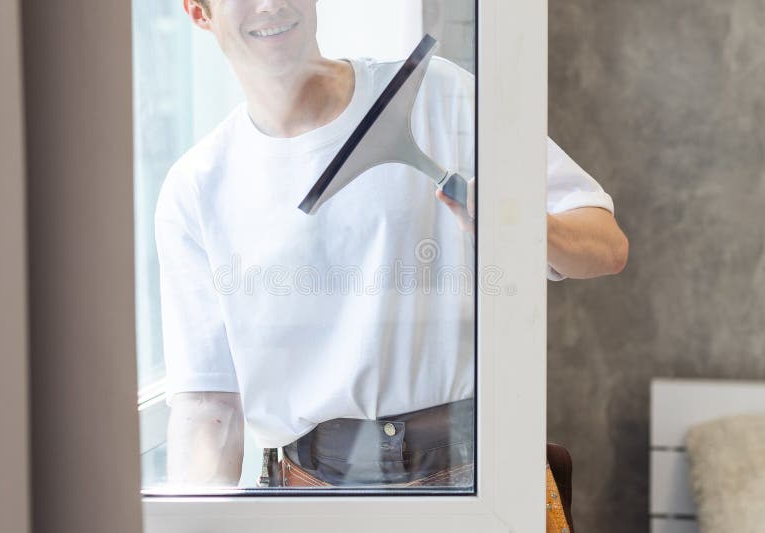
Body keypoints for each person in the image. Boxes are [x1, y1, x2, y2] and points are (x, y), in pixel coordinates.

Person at [156, 0, 629, 488]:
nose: (271, 4)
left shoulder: (436, 94)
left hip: (479, 475)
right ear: (198, 12)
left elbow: (607, 246)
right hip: (309, 497)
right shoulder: (196, 187)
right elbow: (208, 406)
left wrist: (518, 225)